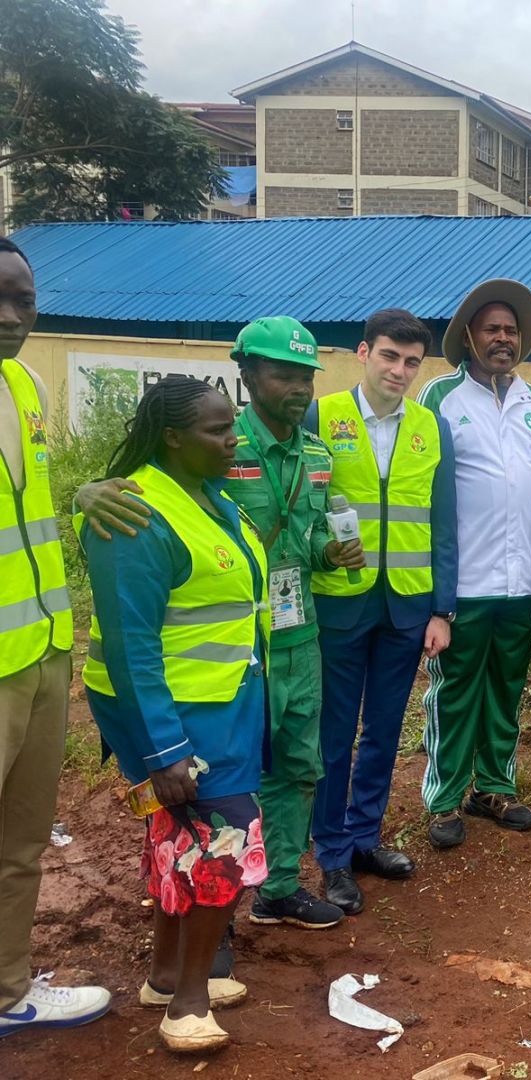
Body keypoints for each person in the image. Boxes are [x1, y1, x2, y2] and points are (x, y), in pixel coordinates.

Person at [78, 317, 366, 936]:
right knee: (225, 781)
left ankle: (279, 888)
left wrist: (327, 554)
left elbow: (303, 540)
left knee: (298, 765)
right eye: (282, 373)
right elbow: (148, 487)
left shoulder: (317, 455)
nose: (298, 386)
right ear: (248, 376)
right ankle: (216, 908)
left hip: (298, 635)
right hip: (233, 652)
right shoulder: (219, 447)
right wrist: (86, 490)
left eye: (306, 375)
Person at [80, 376, 268, 1053]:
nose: (233, 440)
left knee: (182, 836)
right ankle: (187, 1004)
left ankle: (166, 975)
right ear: (172, 436)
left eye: (232, 426)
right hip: (176, 714)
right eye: (219, 431)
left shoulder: (208, 497)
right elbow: (131, 646)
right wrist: (162, 752)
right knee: (225, 840)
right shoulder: (134, 515)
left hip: (221, 702)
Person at [306, 309, 458, 913]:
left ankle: (365, 838)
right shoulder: (323, 416)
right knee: (334, 734)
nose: (400, 370)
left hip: (408, 605)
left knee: (385, 732)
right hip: (340, 602)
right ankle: (333, 854)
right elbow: (304, 509)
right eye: (390, 356)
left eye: (412, 361)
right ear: (364, 352)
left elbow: (444, 522)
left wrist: (442, 609)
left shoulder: (430, 427)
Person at [0, 237, 112, 1040]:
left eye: (24, 300)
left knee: (22, 842)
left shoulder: (24, 383)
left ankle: (7, 990)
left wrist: (83, 490)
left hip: (39, 653)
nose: (11, 317)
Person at [418, 280, 531, 847]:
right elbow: (421, 492)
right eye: (492, 329)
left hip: (520, 584)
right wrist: (436, 596)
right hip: (463, 585)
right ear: (469, 336)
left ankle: (494, 786)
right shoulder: (439, 399)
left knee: (506, 688)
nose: (503, 338)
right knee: (453, 693)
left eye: (511, 330)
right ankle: (445, 798)